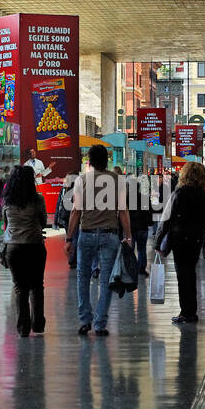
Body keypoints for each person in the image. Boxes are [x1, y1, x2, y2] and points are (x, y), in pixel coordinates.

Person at [66, 143, 131, 336]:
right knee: (105, 281)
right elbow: (123, 212)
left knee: (83, 278)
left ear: (90, 161)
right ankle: (100, 324)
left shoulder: (81, 180)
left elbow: (76, 212)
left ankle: (85, 320)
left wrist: (69, 238)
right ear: (106, 160)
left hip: (86, 234)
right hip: (109, 236)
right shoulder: (117, 180)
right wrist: (128, 236)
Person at [154, 161, 205, 323]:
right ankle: (191, 311)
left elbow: (167, 220)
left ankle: (186, 312)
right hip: (196, 239)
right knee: (191, 273)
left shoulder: (179, 193)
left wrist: (158, 242)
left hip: (180, 238)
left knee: (183, 275)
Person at [2, 164, 48, 337]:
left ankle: (23, 328)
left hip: (14, 248)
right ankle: (38, 324)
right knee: (37, 285)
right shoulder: (38, 199)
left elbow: (6, 225)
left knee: (19, 287)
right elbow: (43, 221)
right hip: (35, 246)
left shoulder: (7, 202)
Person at [126, 171, 152, 276]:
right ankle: (142, 268)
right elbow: (149, 212)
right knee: (142, 249)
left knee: (130, 250)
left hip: (131, 228)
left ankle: (131, 268)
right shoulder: (144, 198)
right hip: (143, 228)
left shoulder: (126, 199)